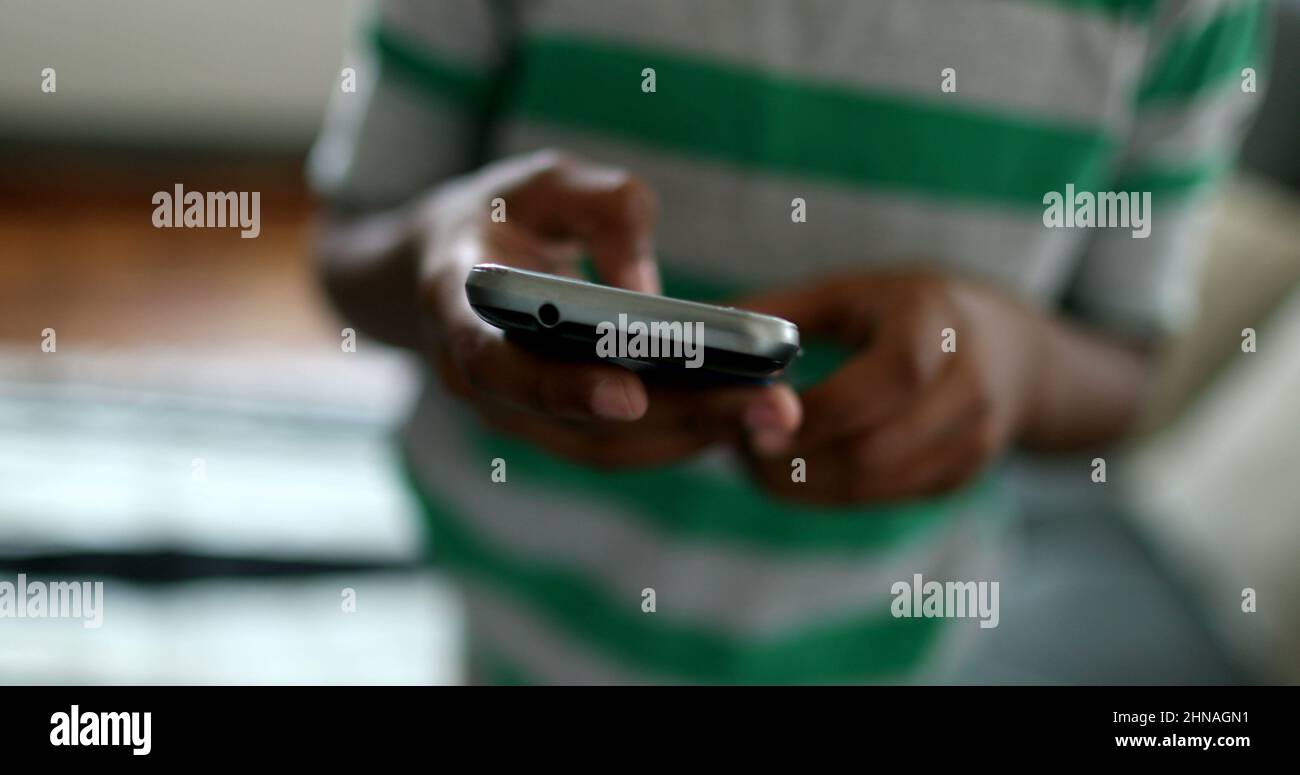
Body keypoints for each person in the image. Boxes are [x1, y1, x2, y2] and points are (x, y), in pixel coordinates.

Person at [309, 0, 1265, 683]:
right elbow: (350, 249)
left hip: (883, 639)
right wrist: (444, 265)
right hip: (509, 603)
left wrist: (1018, 361)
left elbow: (1127, 373)